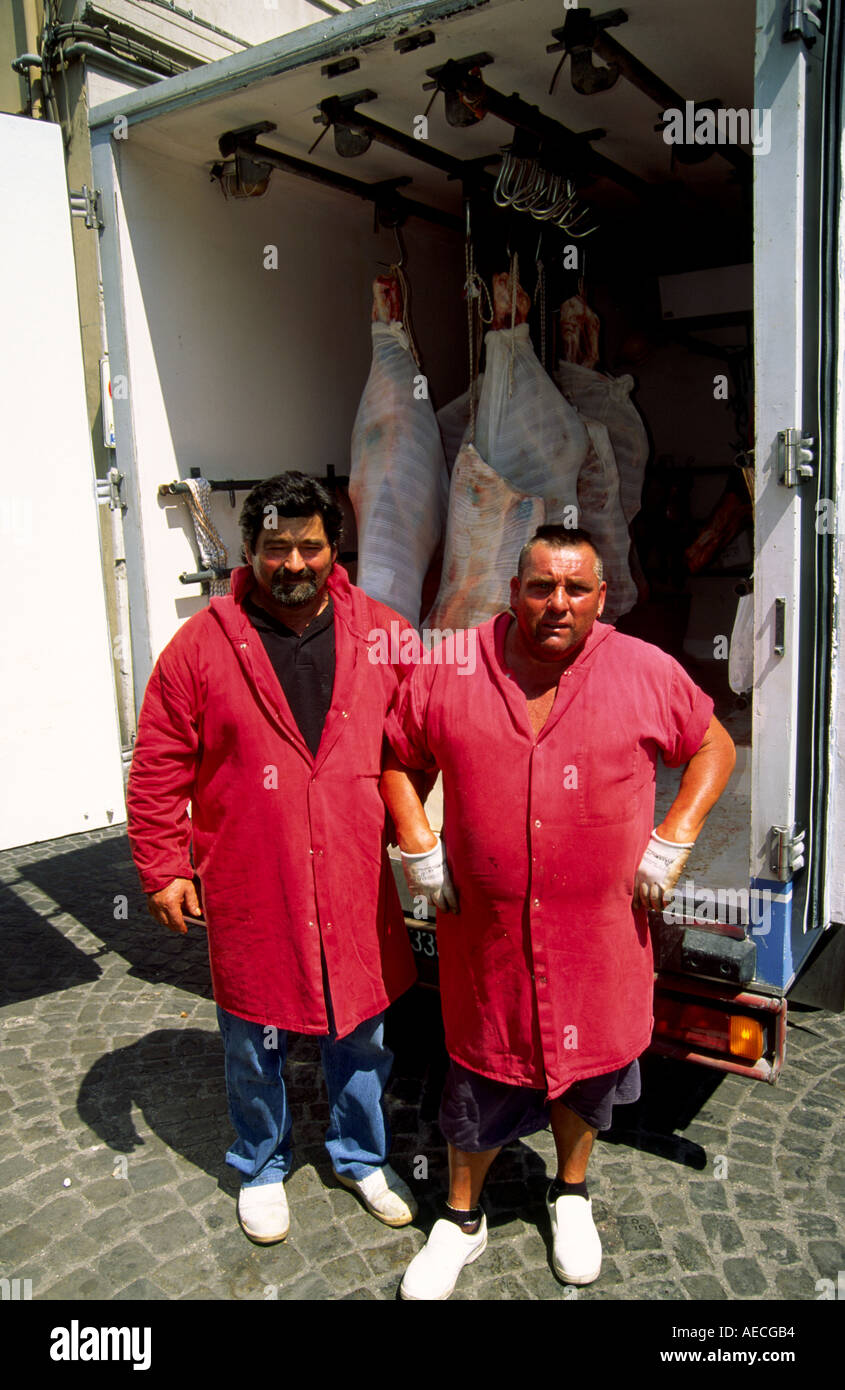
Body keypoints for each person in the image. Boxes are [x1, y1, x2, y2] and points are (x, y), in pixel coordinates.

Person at [381, 524, 736, 1300]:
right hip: (489, 941)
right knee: (476, 1079)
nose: (557, 603)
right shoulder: (451, 668)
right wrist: (417, 841)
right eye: (541, 586)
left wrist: (674, 835)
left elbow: (712, 747)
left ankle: (569, 1194)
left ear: (601, 599)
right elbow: (397, 758)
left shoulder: (644, 670)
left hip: (599, 940)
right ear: (513, 592)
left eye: (576, 589)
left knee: (587, 1078)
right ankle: (460, 1219)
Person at [127, 471, 419, 1244]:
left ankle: (360, 1155)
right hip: (253, 875)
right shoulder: (202, 646)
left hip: (354, 873)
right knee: (251, 1032)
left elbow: (419, 737)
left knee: (361, 1029)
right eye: (275, 548)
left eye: (309, 547)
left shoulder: (386, 635)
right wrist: (162, 866)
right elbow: (158, 762)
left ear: (334, 549)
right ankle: (260, 1162)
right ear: (250, 551)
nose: (294, 563)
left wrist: (405, 825)